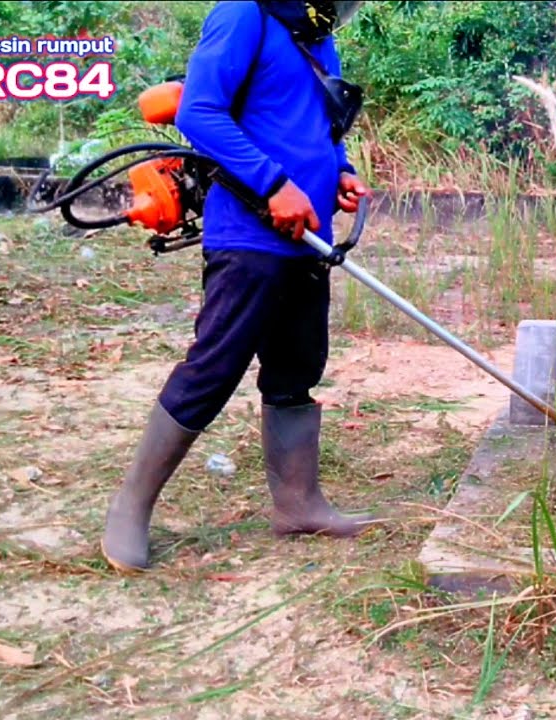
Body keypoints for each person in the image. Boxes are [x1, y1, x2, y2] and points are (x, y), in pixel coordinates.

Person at [102, 0, 371, 572]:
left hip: (310, 236)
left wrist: (341, 170)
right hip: (248, 235)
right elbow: (199, 113)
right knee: (214, 367)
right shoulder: (244, 13)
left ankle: (299, 503)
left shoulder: (317, 33)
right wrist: (274, 184)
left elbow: (319, 123)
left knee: (298, 366)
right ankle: (130, 508)